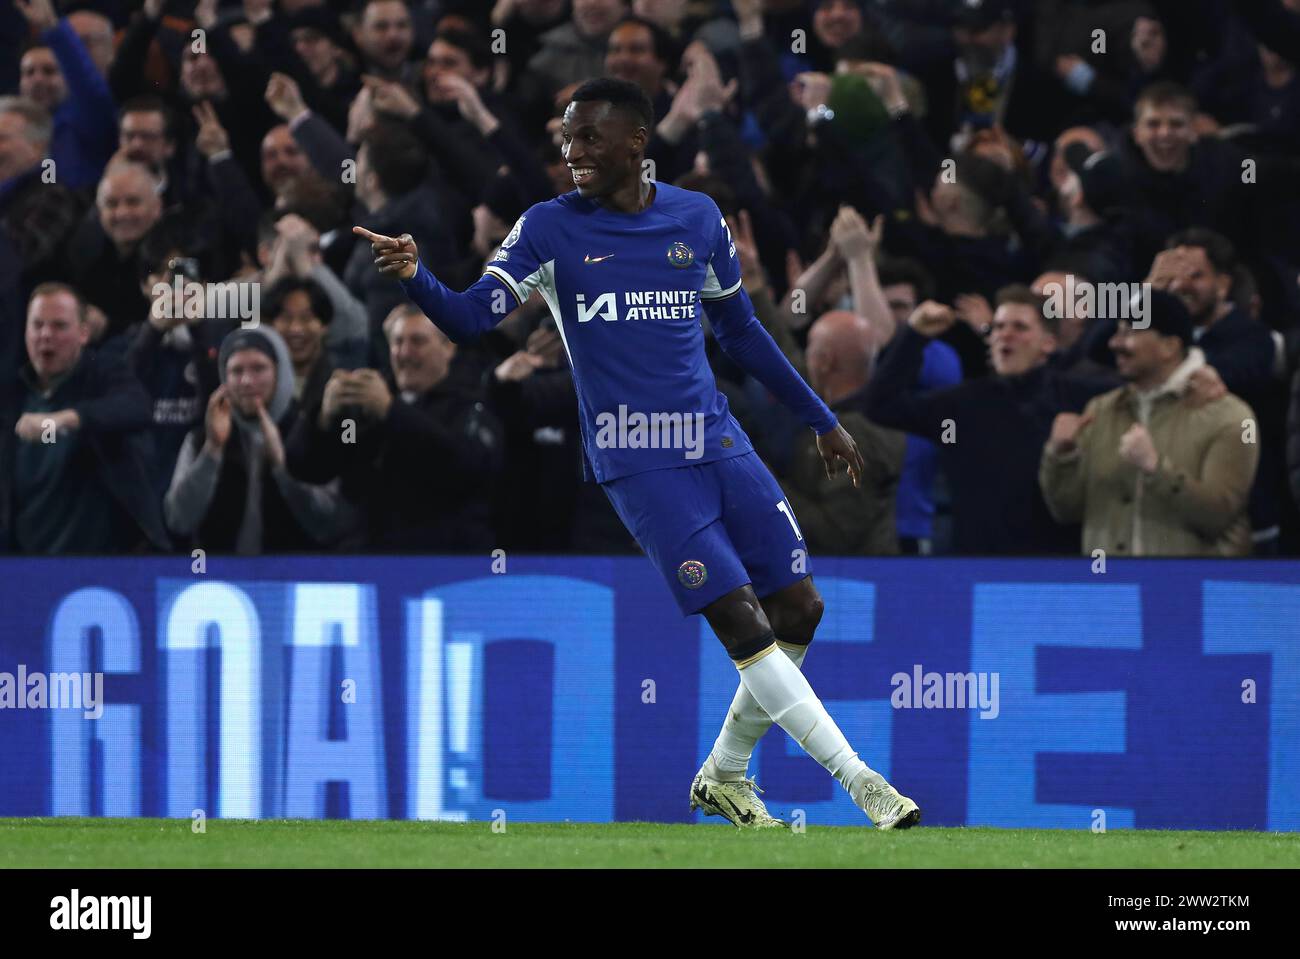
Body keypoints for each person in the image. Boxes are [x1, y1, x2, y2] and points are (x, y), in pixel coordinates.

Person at [352, 77, 920, 831]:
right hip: (635, 458)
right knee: (744, 621)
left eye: (588, 137)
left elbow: (742, 332)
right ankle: (863, 783)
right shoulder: (548, 230)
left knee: (801, 606)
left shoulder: (697, 217)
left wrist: (820, 418)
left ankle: (723, 773)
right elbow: (466, 318)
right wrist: (418, 274)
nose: (572, 151)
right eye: (565, 137)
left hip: (715, 438)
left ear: (636, 143)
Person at [1040, 291, 1258, 556]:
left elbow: (1220, 515)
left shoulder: (1231, 416)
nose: (1115, 343)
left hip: (1192, 590)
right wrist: (1060, 457)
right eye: (1117, 331)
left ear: (1169, 346)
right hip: (1113, 587)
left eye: (1131, 331)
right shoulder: (1099, 411)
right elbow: (1066, 511)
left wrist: (1156, 469)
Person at [1, 283, 169, 554]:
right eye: (37, 325)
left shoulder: (104, 374)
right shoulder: (12, 395)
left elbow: (137, 407)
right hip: (24, 568)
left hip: (100, 569)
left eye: (59, 326)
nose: (46, 335)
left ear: (83, 333)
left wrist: (67, 419)